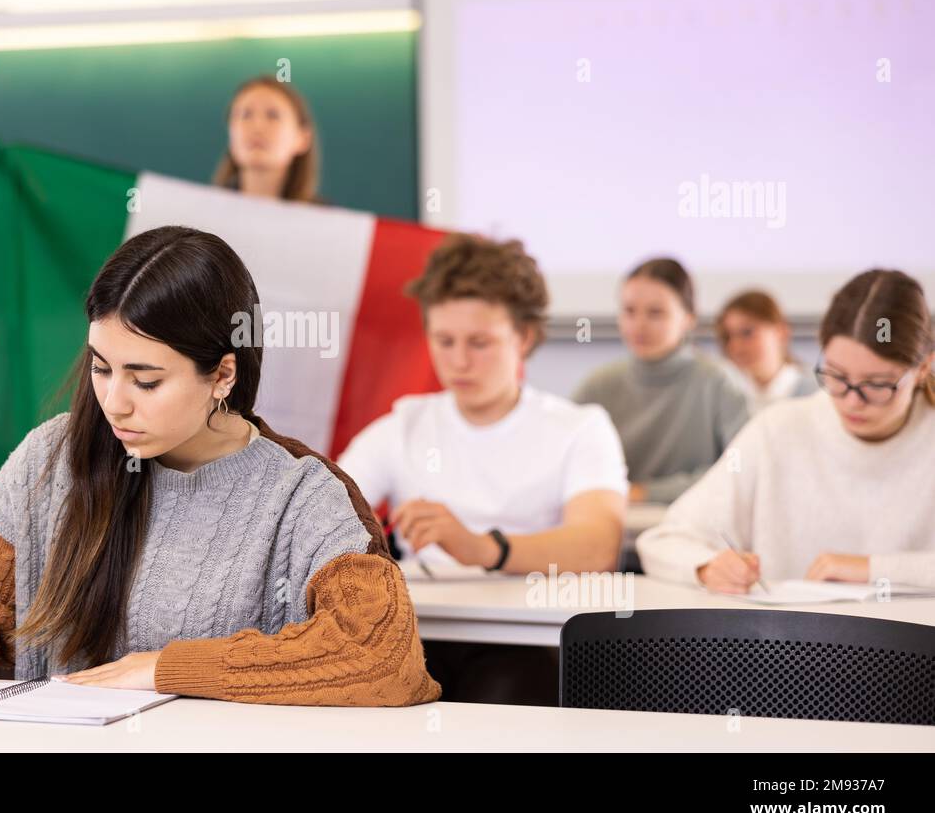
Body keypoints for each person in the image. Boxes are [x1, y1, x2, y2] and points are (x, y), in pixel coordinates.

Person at [0, 225, 440, 708]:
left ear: (224, 375)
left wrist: (164, 670)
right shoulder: (52, 455)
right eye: (101, 367)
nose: (114, 401)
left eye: (147, 380)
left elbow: (381, 655)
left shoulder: (302, 495)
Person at [338, 233, 627, 704]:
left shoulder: (579, 428)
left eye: (480, 342)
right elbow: (322, 509)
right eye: (444, 340)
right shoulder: (406, 424)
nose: (458, 361)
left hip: (528, 644)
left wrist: (480, 547)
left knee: (500, 692)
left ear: (525, 337)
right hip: (419, 636)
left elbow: (598, 548)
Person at [637, 269, 935, 591]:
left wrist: (873, 569)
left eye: (876, 384)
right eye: (836, 375)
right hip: (790, 641)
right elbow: (664, 540)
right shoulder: (778, 431)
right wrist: (706, 567)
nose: (851, 401)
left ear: (923, 368)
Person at [572, 257, 748, 504]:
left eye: (656, 313)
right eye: (629, 311)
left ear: (688, 318)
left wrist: (645, 493)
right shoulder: (598, 386)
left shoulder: (720, 384)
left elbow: (741, 471)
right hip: (612, 525)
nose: (639, 325)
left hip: (697, 526)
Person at [212, 76, 322, 203]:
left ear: (303, 138)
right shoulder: (203, 211)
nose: (257, 127)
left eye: (273, 115)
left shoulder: (326, 220)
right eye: (246, 114)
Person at [716, 289, 816, 412]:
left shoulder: (816, 396)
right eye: (727, 337)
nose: (735, 346)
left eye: (747, 332)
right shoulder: (727, 400)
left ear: (781, 332)